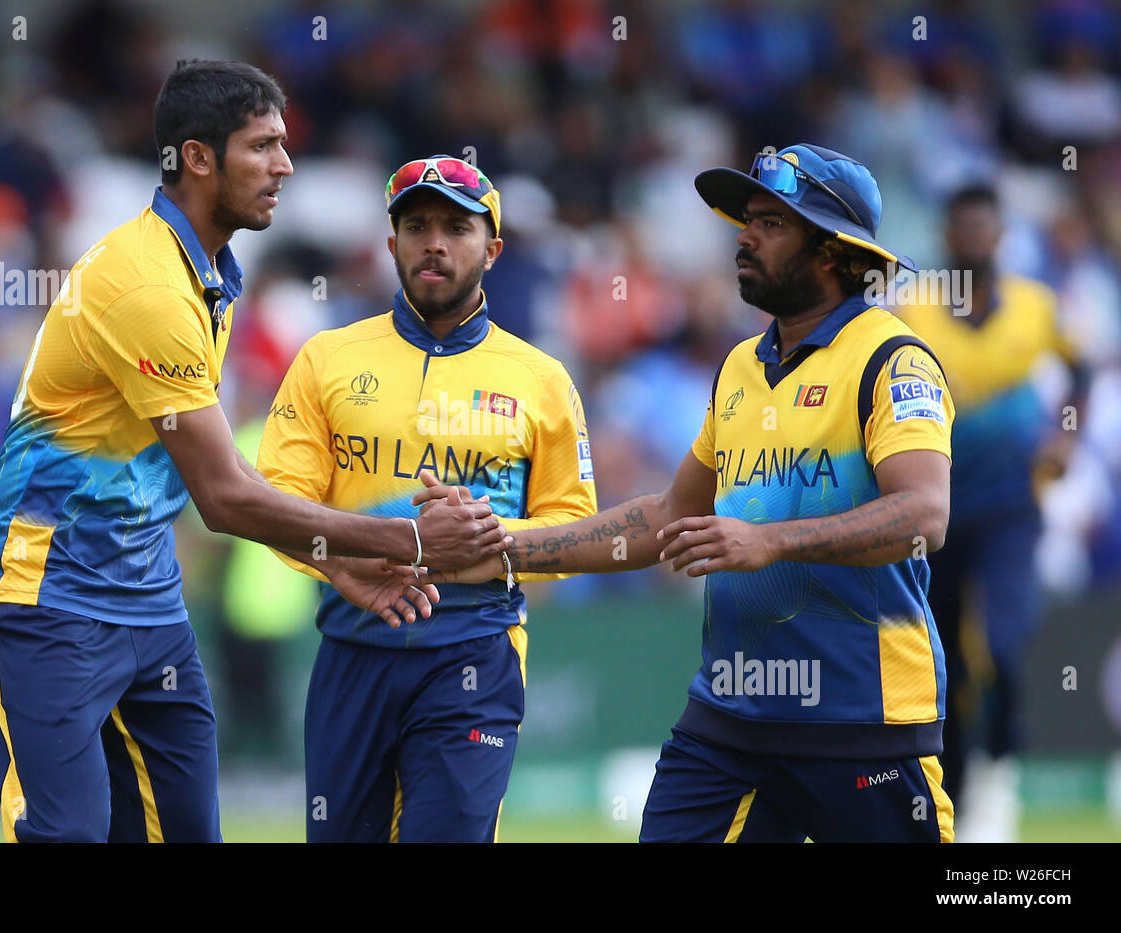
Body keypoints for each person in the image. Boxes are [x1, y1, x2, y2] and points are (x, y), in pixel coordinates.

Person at [0, 63, 506, 843]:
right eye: (264, 146)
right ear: (197, 158)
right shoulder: (146, 286)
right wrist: (410, 539)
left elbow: (220, 473)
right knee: (67, 835)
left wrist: (329, 559)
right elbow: (222, 497)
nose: (285, 166)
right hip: (44, 592)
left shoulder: (205, 273)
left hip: (146, 594)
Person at [418, 145, 958, 843]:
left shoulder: (893, 358)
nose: (744, 235)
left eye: (770, 222)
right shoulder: (740, 365)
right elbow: (672, 515)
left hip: (863, 717)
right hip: (731, 718)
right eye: (746, 219)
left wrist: (769, 540)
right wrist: (502, 548)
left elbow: (925, 515)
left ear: (831, 251)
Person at [258, 155, 598, 842]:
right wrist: (344, 562)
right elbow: (274, 500)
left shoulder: (542, 378)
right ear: (392, 245)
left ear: (493, 249)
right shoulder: (326, 358)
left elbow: (576, 527)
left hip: (474, 649)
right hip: (352, 648)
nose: (434, 242)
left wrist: (484, 536)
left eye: (456, 227)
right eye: (415, 226)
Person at [895, 183, 1085, 841]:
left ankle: (999, 779)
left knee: (1002, 643)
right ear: (946, 237)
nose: (974, 238)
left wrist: (1063, 436)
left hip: (1010, 506)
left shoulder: (1037, 306)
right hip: (934, 509)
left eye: (985, 226)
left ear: (1000, 234)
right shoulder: (916, 308)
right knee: (940, 659)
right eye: (962, 227)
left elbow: (1081, 371)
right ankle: (953, 796)